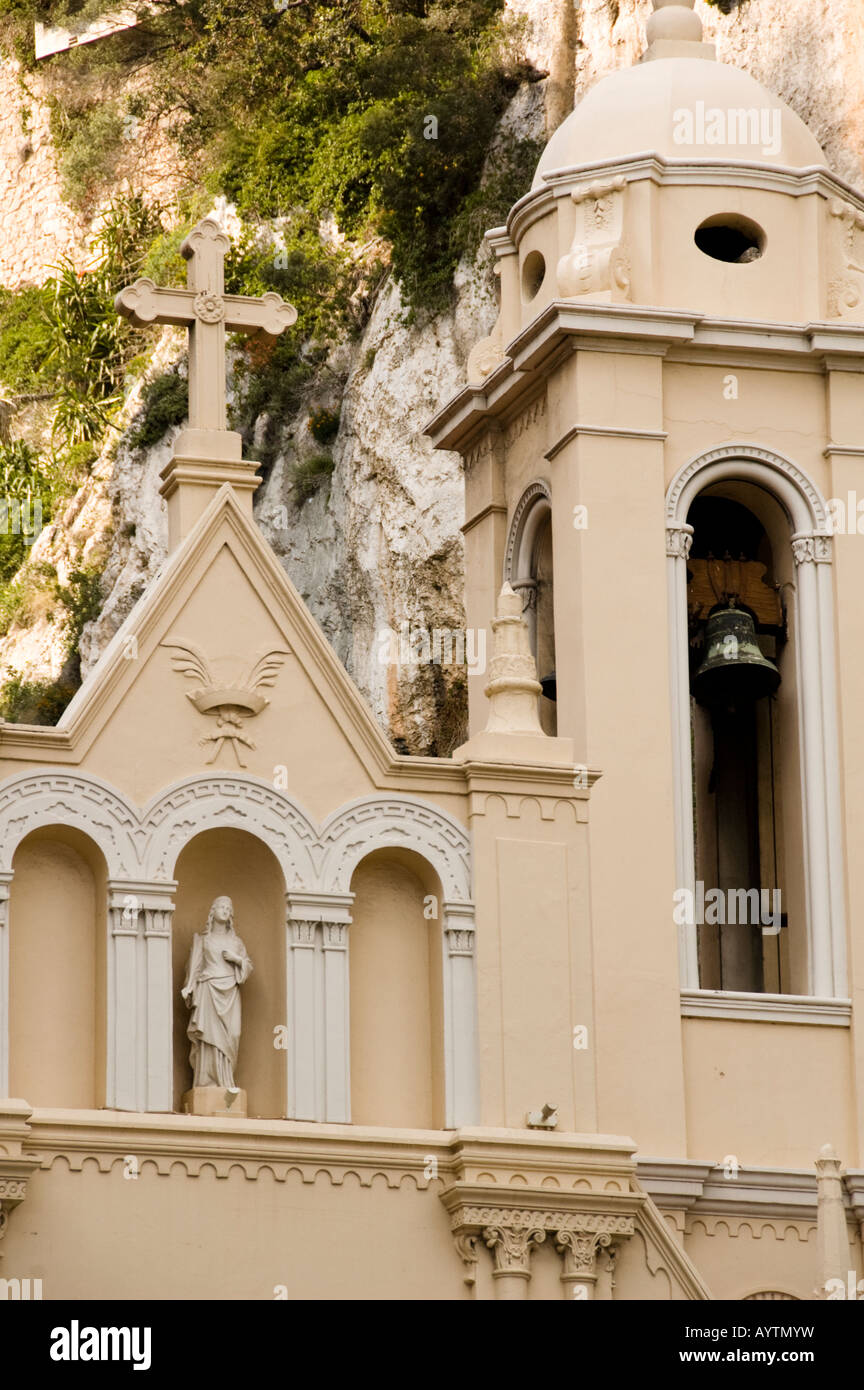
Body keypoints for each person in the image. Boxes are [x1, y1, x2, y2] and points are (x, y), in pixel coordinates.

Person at [181, 895, 253, 1091]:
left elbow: (247, 965)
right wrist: (189, 987)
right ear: (212, 911)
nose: (226, 910)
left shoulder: (236, 942)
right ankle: (206, 1082)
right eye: (222, 906)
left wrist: (236, 959)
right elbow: (195, 967)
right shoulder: (202, 940)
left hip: (230, 991)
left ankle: (226, 1080)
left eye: (229, 908)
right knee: (208, 1039)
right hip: (208, 989)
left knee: (234, 1033)